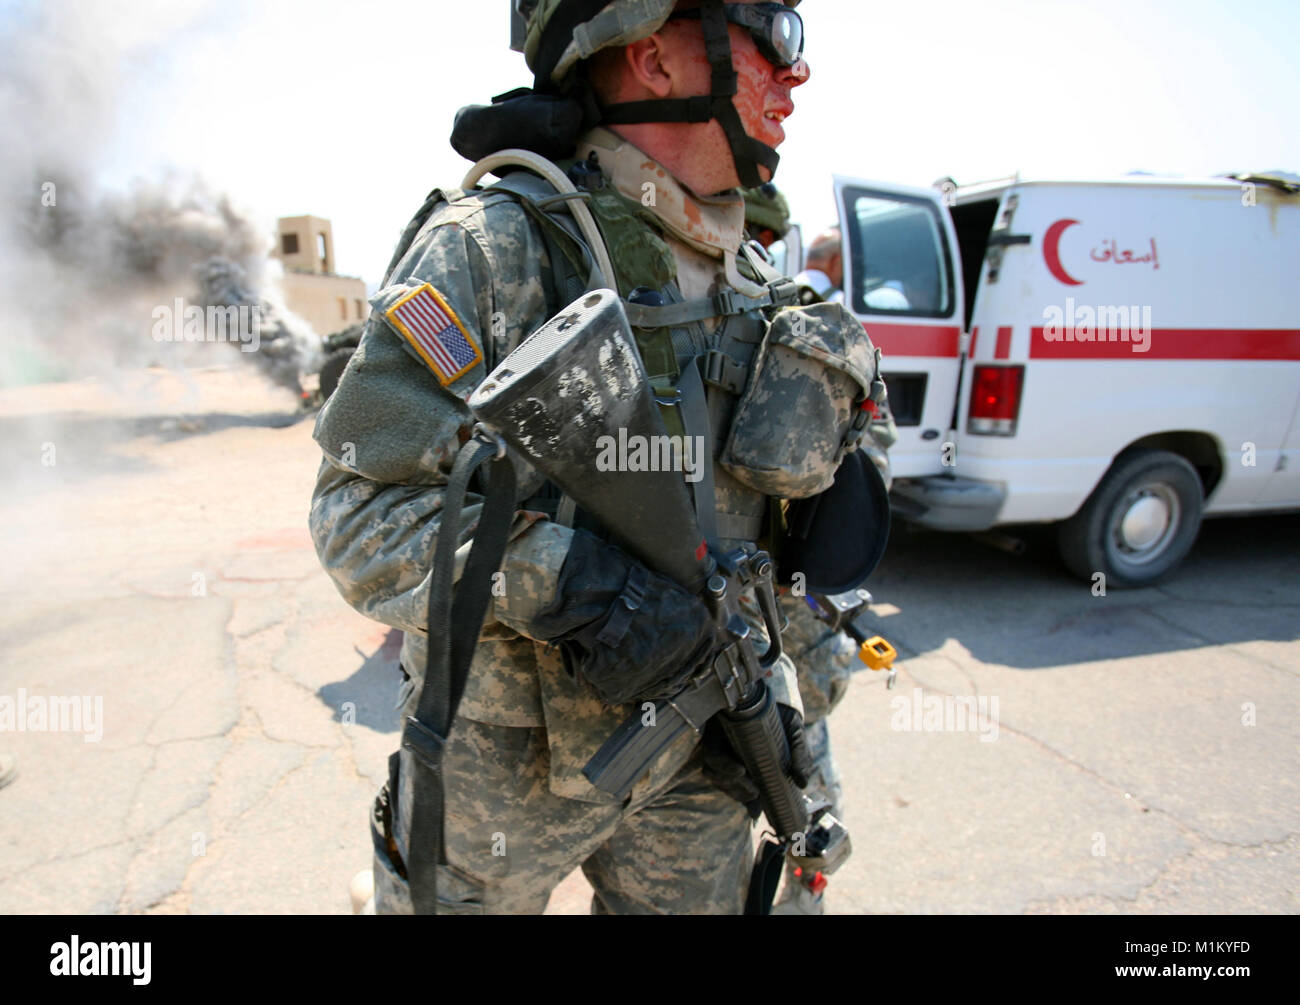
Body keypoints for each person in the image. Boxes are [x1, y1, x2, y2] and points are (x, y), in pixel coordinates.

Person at [310, 0, 878, 915]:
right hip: (506, 767)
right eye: (773, 34)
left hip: (708, 758)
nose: (796, 71)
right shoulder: (493, 249)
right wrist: (574, 584)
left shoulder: (755, 283)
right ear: (654, 56)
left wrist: (803, 696)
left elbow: (770, 555)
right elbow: (359, 520)